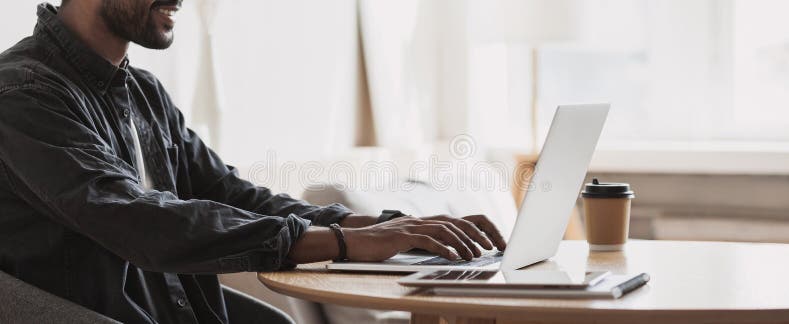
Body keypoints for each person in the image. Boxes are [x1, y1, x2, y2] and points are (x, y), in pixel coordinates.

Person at [0, 1, 507, 323]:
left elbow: (230, 193)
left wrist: (379, 226)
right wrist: (345, 242)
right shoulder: (23, 95)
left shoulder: (144, 93)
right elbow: (137, 220)